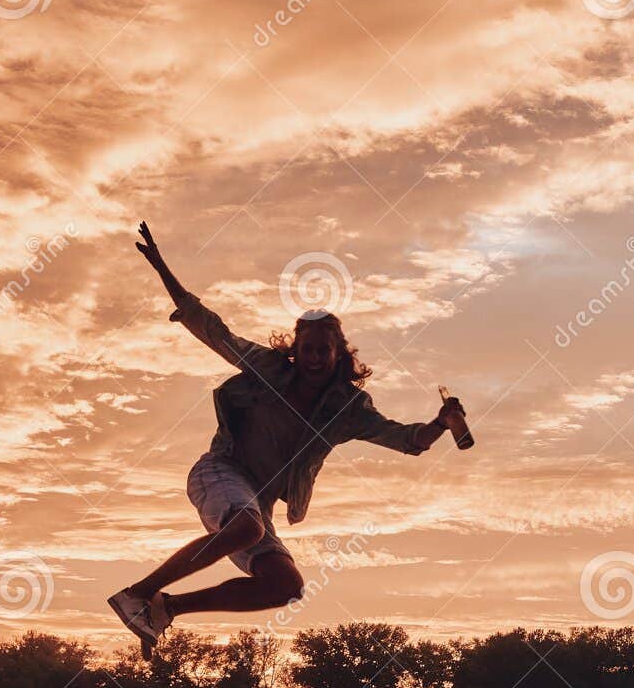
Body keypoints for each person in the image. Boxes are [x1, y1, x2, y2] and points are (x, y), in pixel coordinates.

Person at [108, 221, 461, 655]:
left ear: (338, 356)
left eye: (323, 351)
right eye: (307, 349)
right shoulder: (269, 369)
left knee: (286, 586)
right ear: (295, 349)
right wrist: (163, 268)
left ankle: (166, 609)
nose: (313, 358)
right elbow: (214, 331)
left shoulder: (348, 409)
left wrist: (442, 423)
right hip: (219, 473)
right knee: (246, 527)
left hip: (258, 503)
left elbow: (409, 441)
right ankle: (137, 594)